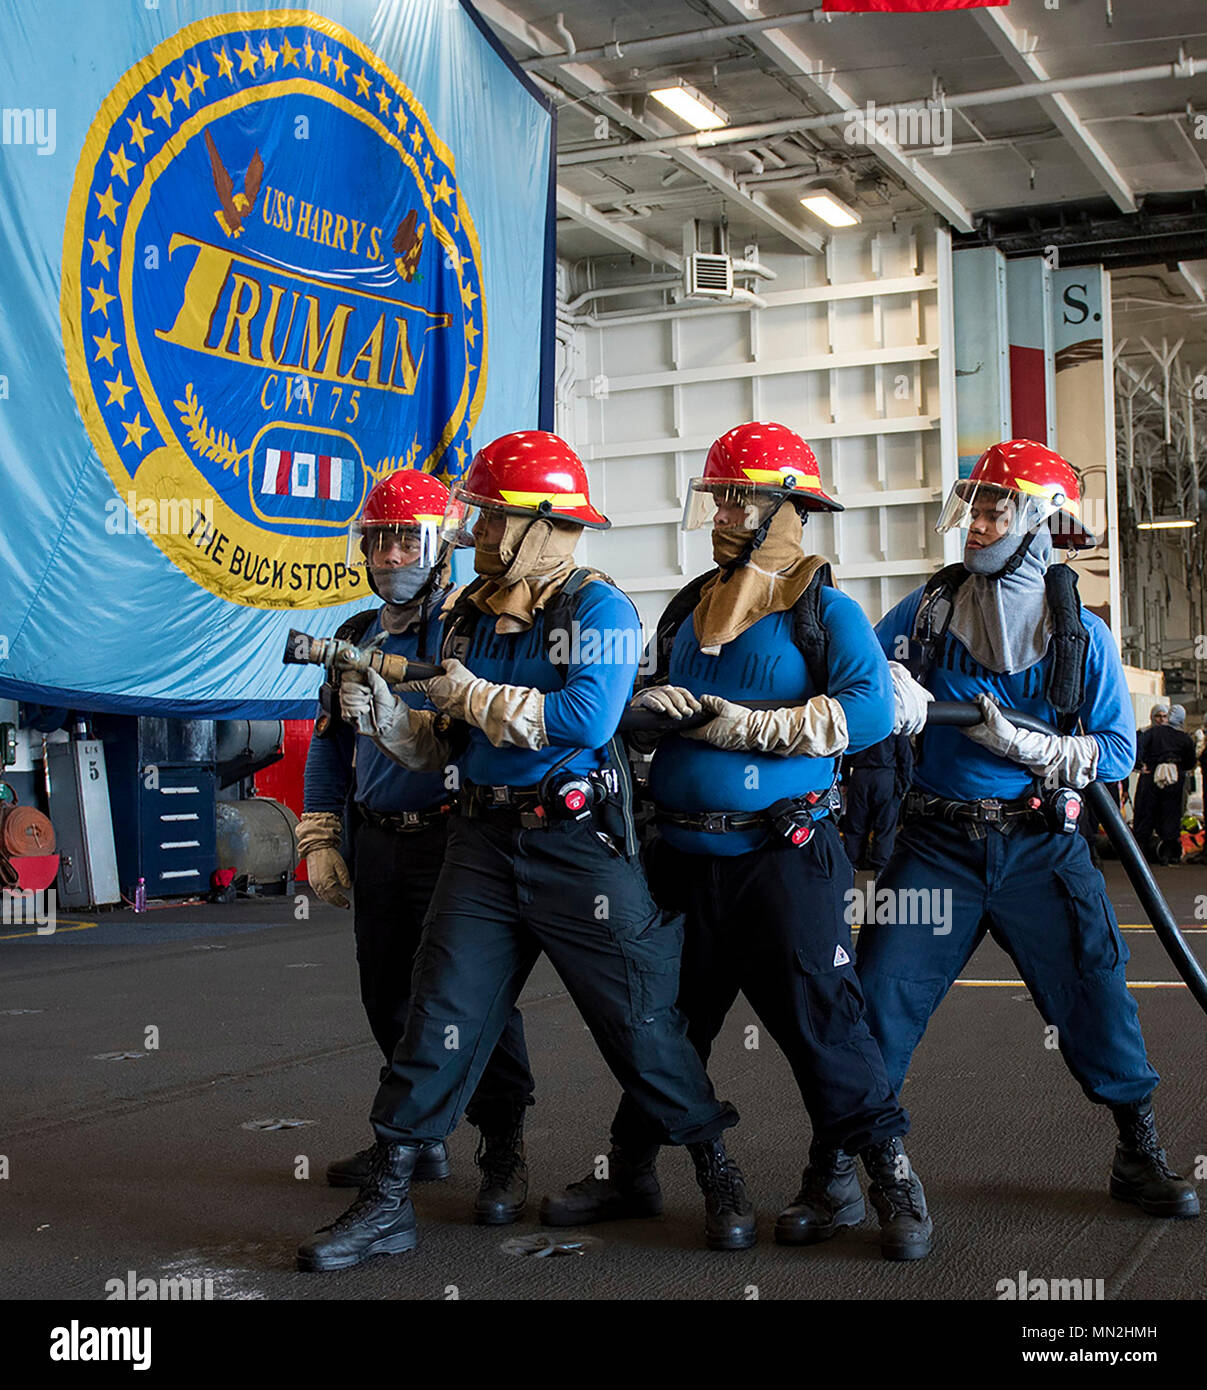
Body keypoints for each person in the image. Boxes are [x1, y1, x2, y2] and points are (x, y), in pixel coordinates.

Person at [297, 431, 754, 1271]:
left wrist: (464, 694)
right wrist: (390, 722)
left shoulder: (599, 609)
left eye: (488, 518)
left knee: (639, 1020)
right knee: (438, 1013)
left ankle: (713, 1168)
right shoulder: (472, 614)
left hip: (574, 845)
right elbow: (442, 742)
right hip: (479, 839)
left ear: (538, 525)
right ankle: (391, 1195)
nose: (472, 533)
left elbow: (585, 719)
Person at [541, 422, 932, 1261]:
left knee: (822, 1022)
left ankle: (886, 1181)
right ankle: (632, 1170)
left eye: (740, 494)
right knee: (662, 1024)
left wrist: (749, 726)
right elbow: (636, 701)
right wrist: (646, 715)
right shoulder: (691, 604)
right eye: (718, 493)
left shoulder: (825, 608)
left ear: (787, 506)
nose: (723, 509)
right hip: (680, 860)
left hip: (781, 857)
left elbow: (866, 713)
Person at [858, 439, 1199, 1221]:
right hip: (935, 846)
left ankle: (1137, 1150)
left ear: (1037, 519)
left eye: (992, 509)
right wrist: (888, 687)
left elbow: (1114, 750)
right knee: (877, 998)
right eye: (970, 509)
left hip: (1040, 845)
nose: (973, 526)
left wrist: (1034, 746)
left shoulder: (1083, 637)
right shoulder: (925, 611)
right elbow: (859, 679)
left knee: (1094, 989)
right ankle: (845, 1162)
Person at [296, 469, 535, 1222]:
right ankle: (417, 1142)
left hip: (456, 839)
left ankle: (502, 1145)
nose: (393, 553)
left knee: (471, 1000)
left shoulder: (471, 631)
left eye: (408, 538)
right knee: (387, 993)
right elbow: (329, 745)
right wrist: (322, 832)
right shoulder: (353, 636)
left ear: (439, 550)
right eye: (381, 538)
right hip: (377, 841)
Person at [840, 732, 913, 874]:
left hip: (859, 777)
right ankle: (880, 871)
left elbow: (846, 751)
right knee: (884, 828)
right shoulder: (894, 723)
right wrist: (903, 786)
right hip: (885, 777)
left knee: (855, 827)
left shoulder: (861, 723)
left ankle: (851, 868)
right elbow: (905, 756)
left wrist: (844, 782)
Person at [1132, 703, 1195, 865]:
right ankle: (1169, 853)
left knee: (1146, 811)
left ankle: (1139, 853)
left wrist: (1140, 765)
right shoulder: (1185, 738)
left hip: (1151, 775)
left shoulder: (1152, 733)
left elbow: (1138, 748)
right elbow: (1190, 761)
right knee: (1171, 813)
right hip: (1175, 778)